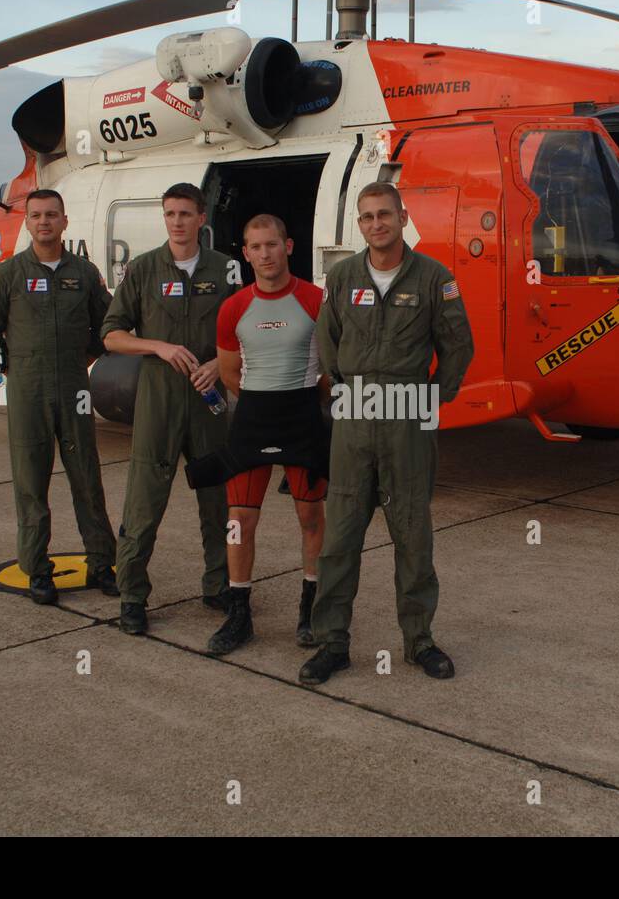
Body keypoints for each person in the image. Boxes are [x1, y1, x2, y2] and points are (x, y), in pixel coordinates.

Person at [298, 182, 475, 686]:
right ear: (360, 225)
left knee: (413, 536)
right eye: (367, 217)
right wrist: (345, 389)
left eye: (385, 215)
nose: (377, 224)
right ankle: (332, 641)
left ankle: (419, 641)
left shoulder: (433, 278)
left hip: (407, 420)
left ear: (402, 217)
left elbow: (458, 346)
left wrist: (430, 398)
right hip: (354, 419)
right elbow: (327, 339)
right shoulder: (343, 275)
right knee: (341, 538)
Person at [101, 182, 242, 635]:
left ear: (202, 218)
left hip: (210, 402)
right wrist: (158, 347)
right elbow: (111, 334)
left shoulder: (227, 270)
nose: (177, 222)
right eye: (169, 214)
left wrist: (219, 366)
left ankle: (219, 585)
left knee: (217, 500)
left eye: (185, 213)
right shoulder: (143, 270)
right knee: (144, 501)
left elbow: (247, 329)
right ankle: (132, 596)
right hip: (158, 402)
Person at [185, 214, 329, 656]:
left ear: (288, 246)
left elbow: (328, 370)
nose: (264, 254)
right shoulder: (234, 307)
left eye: (272, 244)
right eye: (255, 247)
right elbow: (230, 373)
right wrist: (262, 405)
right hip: (253, 418)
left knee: (311, 519)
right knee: (239, 522)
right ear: (245, 254)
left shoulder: (316, 299)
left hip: (303, 416)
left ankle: (311, 607)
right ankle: (239, 612)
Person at [0, 188, 119, 604]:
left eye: (52, 215)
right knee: (31, 484)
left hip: (75, 389)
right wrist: (11, 369)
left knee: (87, 479)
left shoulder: (85, 274)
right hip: (27, 392)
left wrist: (84, 357)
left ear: (64, 220)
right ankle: (37, 569)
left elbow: (106, 325)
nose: (44, 222)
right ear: (28, 222)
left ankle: (102, 563)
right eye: (36, 215)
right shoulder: (8, 273)